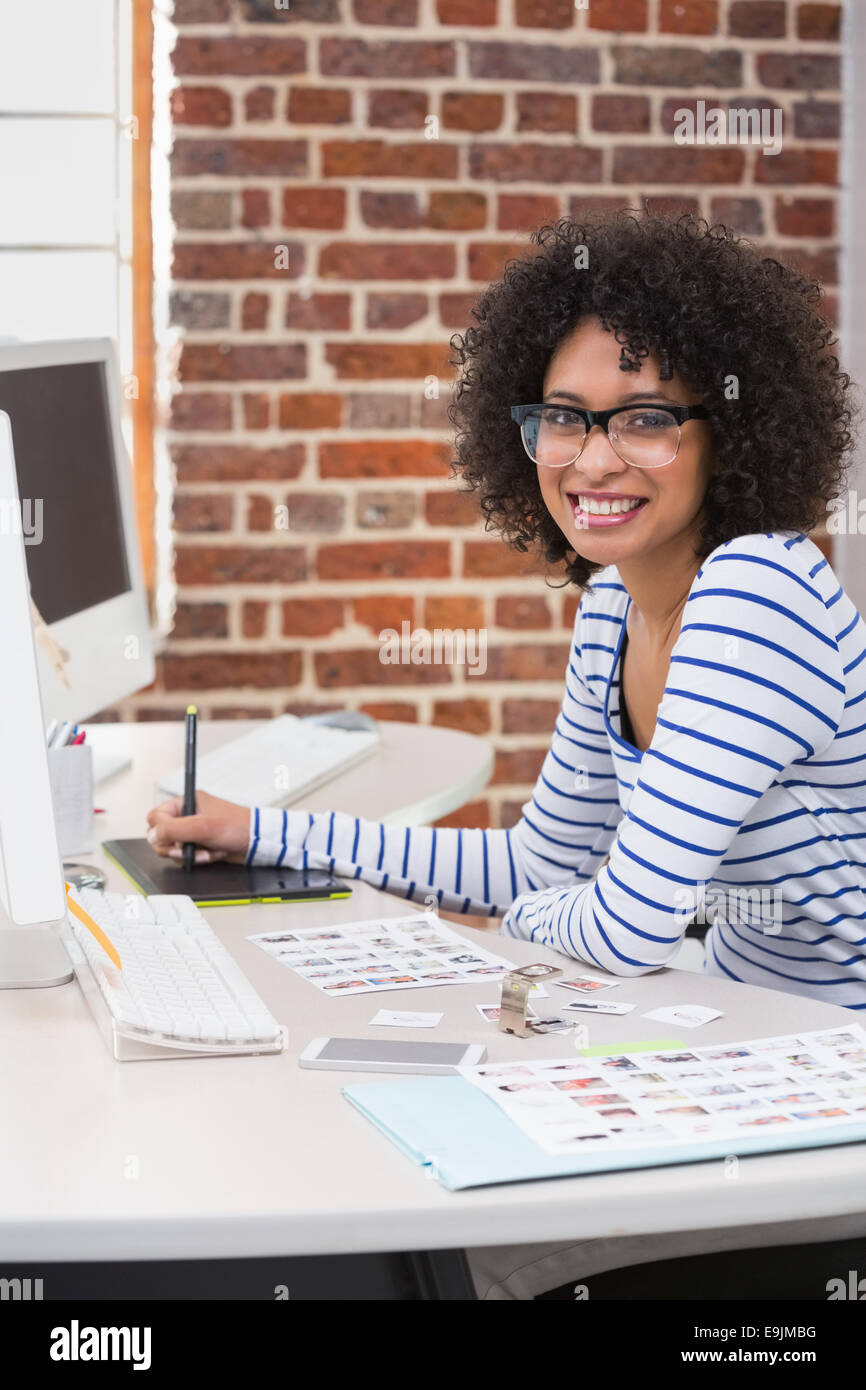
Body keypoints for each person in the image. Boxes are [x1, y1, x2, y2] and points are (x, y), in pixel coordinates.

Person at [147, 212, 865, 1295]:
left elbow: (619, 929)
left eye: (643, 421)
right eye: (563, 420)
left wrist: (513, 923)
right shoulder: (613, 608)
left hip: (827, 1099)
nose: (591, 459)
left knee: (453, 1256)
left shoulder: (752, 594)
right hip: (751, 1035)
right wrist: (261, 831)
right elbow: (539, 868)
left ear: (728, 426)